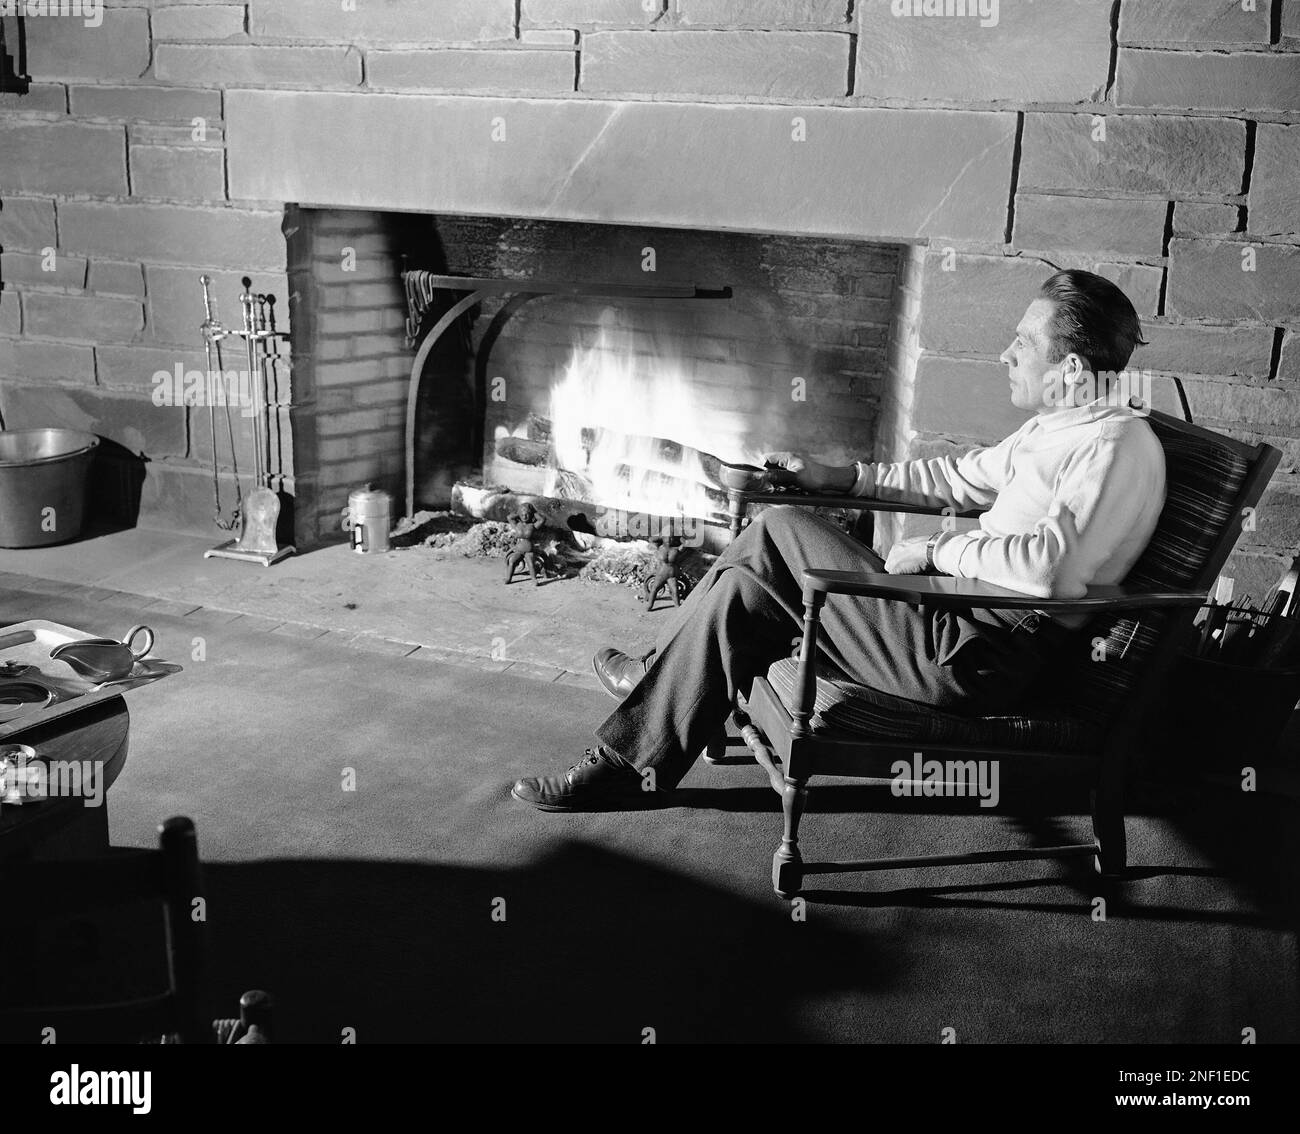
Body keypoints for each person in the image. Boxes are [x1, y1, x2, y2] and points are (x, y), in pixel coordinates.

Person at [511, 269, 1167, 811]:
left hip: (971, 657)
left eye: (1025, 341)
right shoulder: (1059, 428)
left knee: (778, 529)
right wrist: (844, 475)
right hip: (940, 624)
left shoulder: (1112, 447)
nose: (1007, 353)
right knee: (749, 580)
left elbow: (1052, 572)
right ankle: (633, 752)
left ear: (1073, 366)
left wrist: (937, 550)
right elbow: (955, 478)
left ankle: (645, 702)